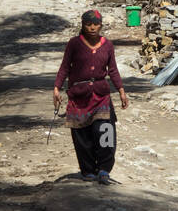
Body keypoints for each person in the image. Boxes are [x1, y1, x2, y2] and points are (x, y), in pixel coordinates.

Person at [54, 9, 128, 183]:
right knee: (82, 135)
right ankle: (88, 170)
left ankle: (104, 169)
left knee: (106, 132)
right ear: (83, 25)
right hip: (79, 96)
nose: (92, 27)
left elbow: (113, 70)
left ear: (101, 25)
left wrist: (121, 91)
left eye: (96, 24)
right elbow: (65, 67)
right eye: (88, 24)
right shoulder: (74, 44)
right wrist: (57, 87)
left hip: (101, 96)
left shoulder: (108, 45)